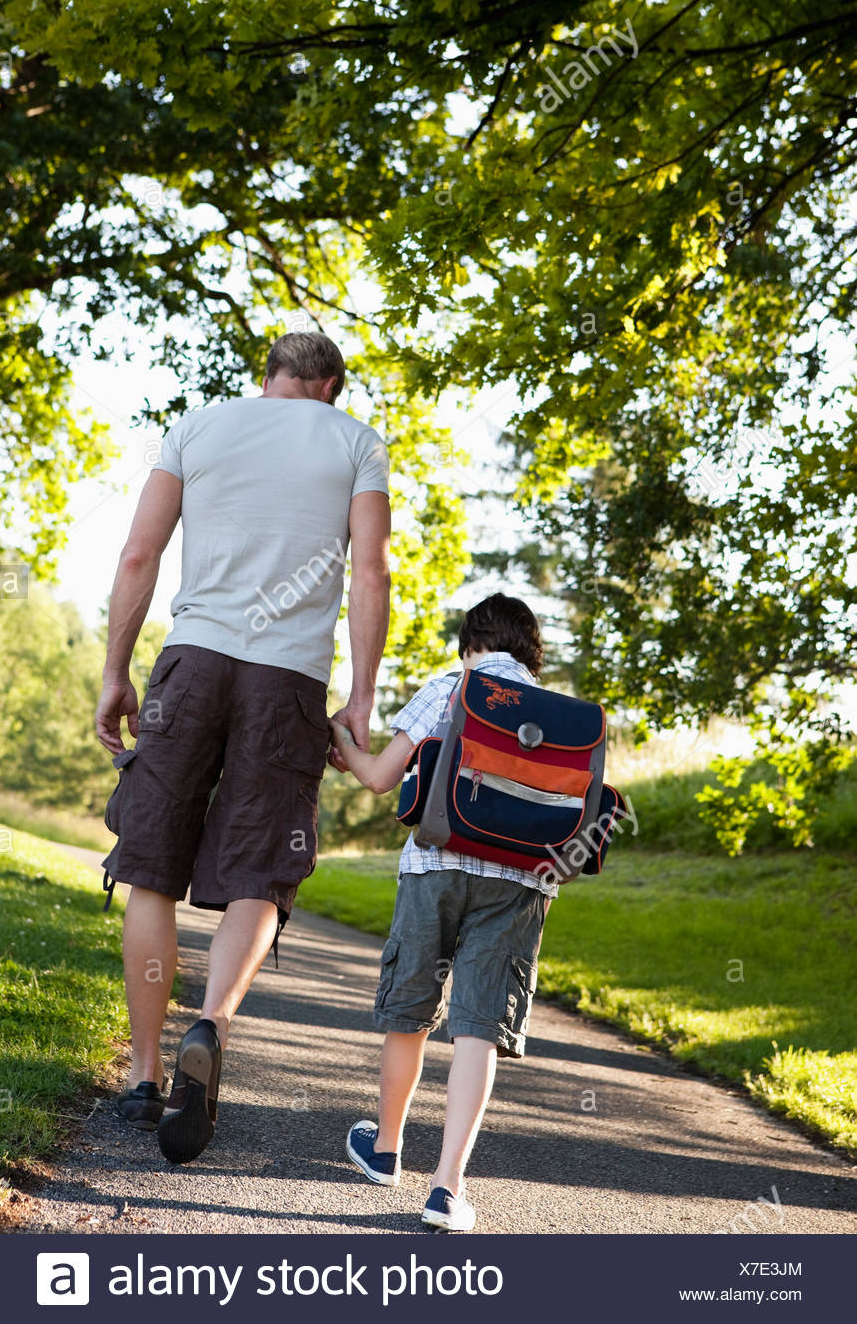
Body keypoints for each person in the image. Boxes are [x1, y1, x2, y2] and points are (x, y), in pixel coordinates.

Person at [95, 331, 391, 1164]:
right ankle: (212, 1025)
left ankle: (145, 1078)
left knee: (151, 863)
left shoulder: (198, 425)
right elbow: (370, 573)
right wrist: (361, 696)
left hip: (194, 661)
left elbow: (139, 553)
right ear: (329, 384)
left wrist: (115, 672)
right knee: (261, 869)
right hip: (288, 679)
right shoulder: (356, 441)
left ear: (269, 376)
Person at [329, 593, 557, 1232]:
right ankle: (447, 1189)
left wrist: (341, 737)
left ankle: (385, 1150)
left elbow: (378, 777)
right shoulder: (558, 714)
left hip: (434, 867)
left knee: (412, 1013)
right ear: (529, 650)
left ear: (471, 643)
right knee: (479, 1028)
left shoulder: (451, 688)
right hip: (520, 882)